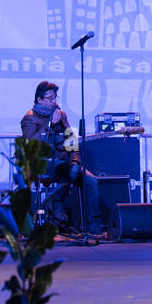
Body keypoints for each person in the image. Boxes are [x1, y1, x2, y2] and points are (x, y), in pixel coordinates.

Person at [19, 81, 101, 233]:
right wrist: (50, 124)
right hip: (44, 164)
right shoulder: (30, 118)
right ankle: (57, 205)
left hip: (66, 162)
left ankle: (93, 228)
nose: (53, 102)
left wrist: (76, 159)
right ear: (39, 99)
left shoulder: (61, 115)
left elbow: (71, 139)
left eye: (55, 98)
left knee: (91, 181)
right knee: (68, 172)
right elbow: (30, 143)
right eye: (50, 98)